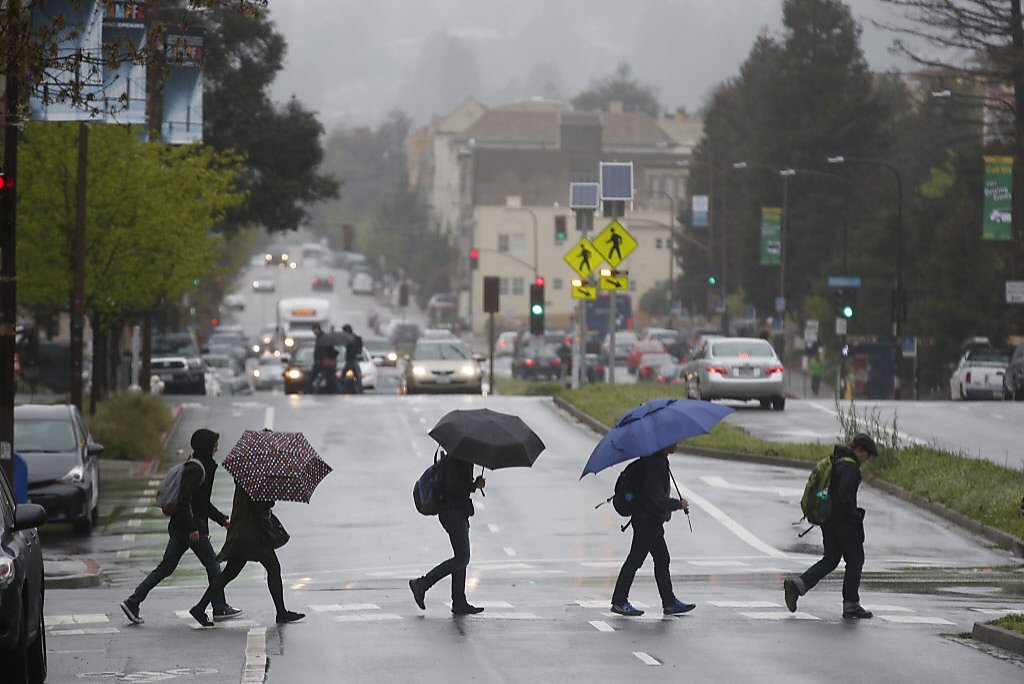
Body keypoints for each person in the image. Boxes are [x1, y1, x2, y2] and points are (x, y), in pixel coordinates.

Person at [121, 429, 243, 625]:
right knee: (213, 565)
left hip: (181, 527)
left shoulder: (199, 465)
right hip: (191, 529)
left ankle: (133, 601)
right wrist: (193, 528)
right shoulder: (197, 469)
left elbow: (201, 503)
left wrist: (222, 520)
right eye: (214, 444)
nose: (217, 448)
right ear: (206, 445)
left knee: (166, 568)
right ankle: (219, 607)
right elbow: (184, 501)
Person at [784, 432, 878, 619]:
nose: (866, 460)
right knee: (855, 559)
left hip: (828, 520)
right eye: (867, 456)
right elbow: (845, 498)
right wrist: (855, 516)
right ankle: (851, 604)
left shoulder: (835, 460)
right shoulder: (850, 467)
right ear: (859, 449)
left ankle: (797, 585)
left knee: (831, 559)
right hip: (843, 522)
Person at [189, 481, 304, 626]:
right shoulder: (253, 480)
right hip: (252, 533)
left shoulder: (247, 476)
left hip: (243, 532)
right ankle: (281, 612)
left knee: (230, 573)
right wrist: (269, 503)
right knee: (273, 568)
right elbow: (256, 506)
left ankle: (200, 608)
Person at [610, 445, 695, 617]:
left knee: (662, 559)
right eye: (674, 440)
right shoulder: (655, 463)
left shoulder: (655, 460)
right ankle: (619, 601)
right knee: (635, 560)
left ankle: (669, 602)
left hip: (649, 520)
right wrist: (678, 504)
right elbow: (655, 497)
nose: (677, 443)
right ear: (665, 444)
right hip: (646, 520)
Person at [408, 453, 486, 615]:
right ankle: (422, 584)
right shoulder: (458, 459)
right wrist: (474, 486)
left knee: (460, 557)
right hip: (452, 512)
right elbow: (453, 487)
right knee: (462, 558)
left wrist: (472, 484)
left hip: (456, 511)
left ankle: (459, 601)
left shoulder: (459, 456)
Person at [341, 323, 363, 392]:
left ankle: (343, 389)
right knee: (357, 376)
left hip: (351, 359)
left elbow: (353, 349)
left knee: (345, 375)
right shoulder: (353, 338)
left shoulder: (351, 339)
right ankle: (359, 389)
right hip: (352, 359)